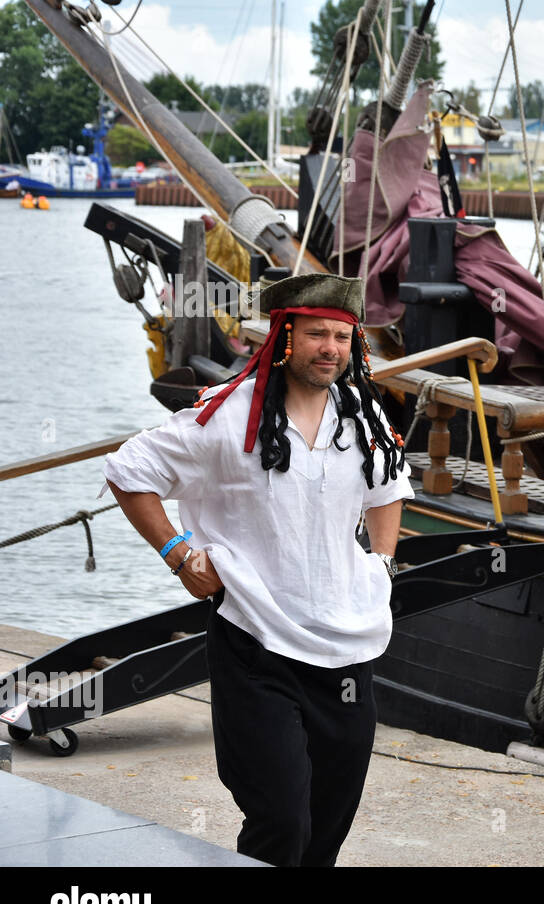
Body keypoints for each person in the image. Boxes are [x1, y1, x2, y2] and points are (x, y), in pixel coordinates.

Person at [102, 273, 413, 867]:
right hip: (256, 643)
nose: (331, 349)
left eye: (343, 337)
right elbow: (128, 471)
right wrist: (178, 554)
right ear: (284, 337)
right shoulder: (225, 416)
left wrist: (382, 564)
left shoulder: (363, 417)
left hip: (347, 651)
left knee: (328, 823)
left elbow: (389, 488)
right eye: (317, 334)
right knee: (280, 819)